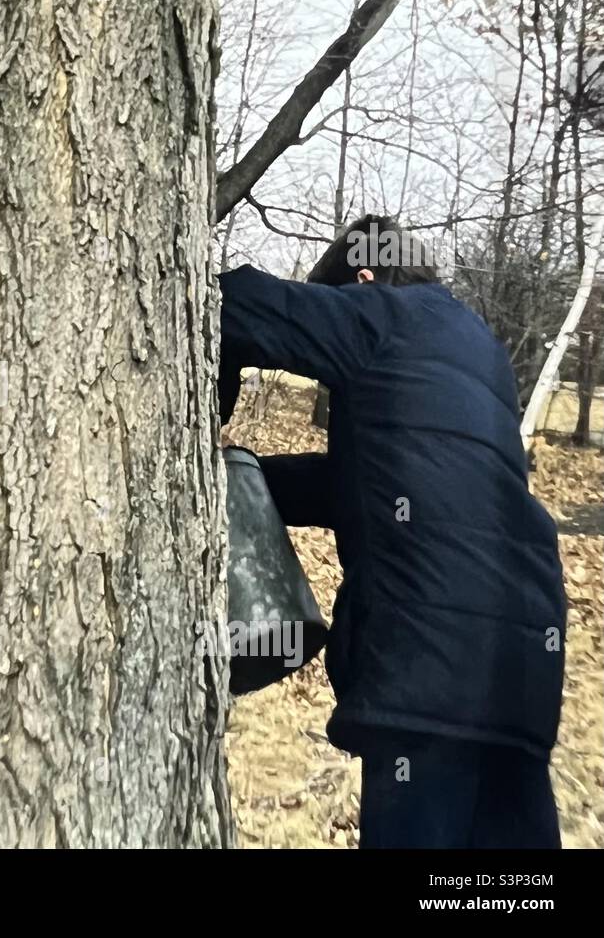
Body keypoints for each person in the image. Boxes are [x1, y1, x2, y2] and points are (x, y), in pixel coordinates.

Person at [217, 214, 566, 849]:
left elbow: (233, 300)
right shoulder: (477, 347)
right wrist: (245, 478)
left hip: (428, 670)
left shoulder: (380, 317)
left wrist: (216, 398)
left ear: (367, 278)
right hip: (522, 675)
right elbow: (384, 488)